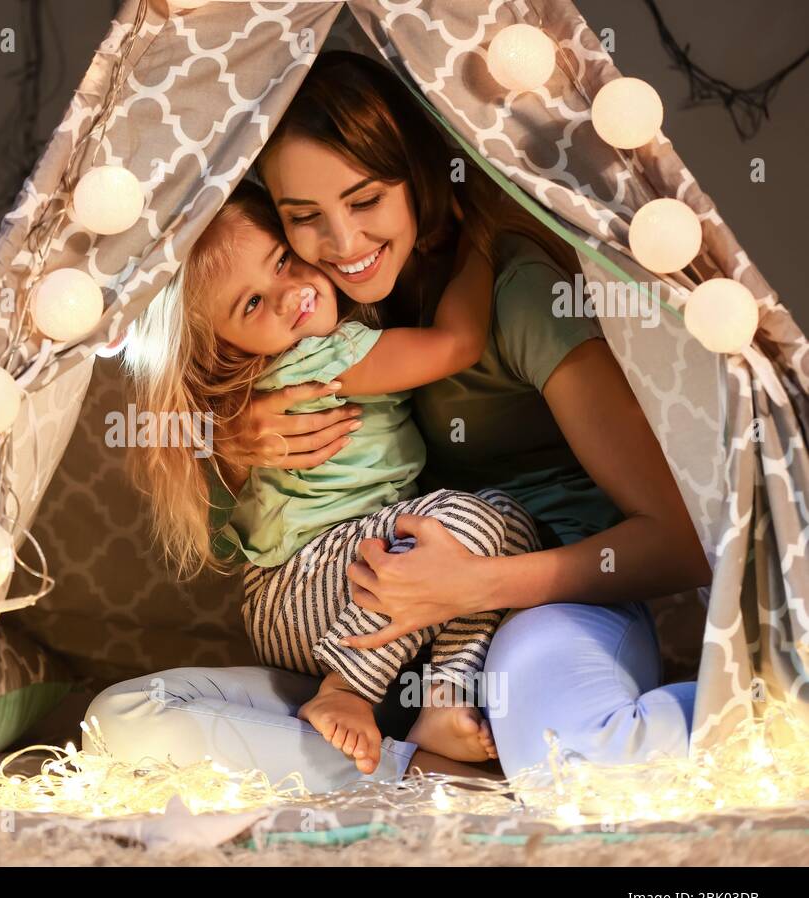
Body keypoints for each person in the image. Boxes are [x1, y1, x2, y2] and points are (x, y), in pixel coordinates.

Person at [86, 52, 709, 791]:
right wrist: (228, 434)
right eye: (302, 220)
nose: (343, 246)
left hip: (542, 613)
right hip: (385, 638)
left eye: (367, 199)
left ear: (417, 175)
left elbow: (683, 545)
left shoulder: (513, 289)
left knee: (580, 766)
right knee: (121, 719)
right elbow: (198, 388)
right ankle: (436, 775)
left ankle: (762, 704)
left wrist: (475, 586)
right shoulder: (324, 313)